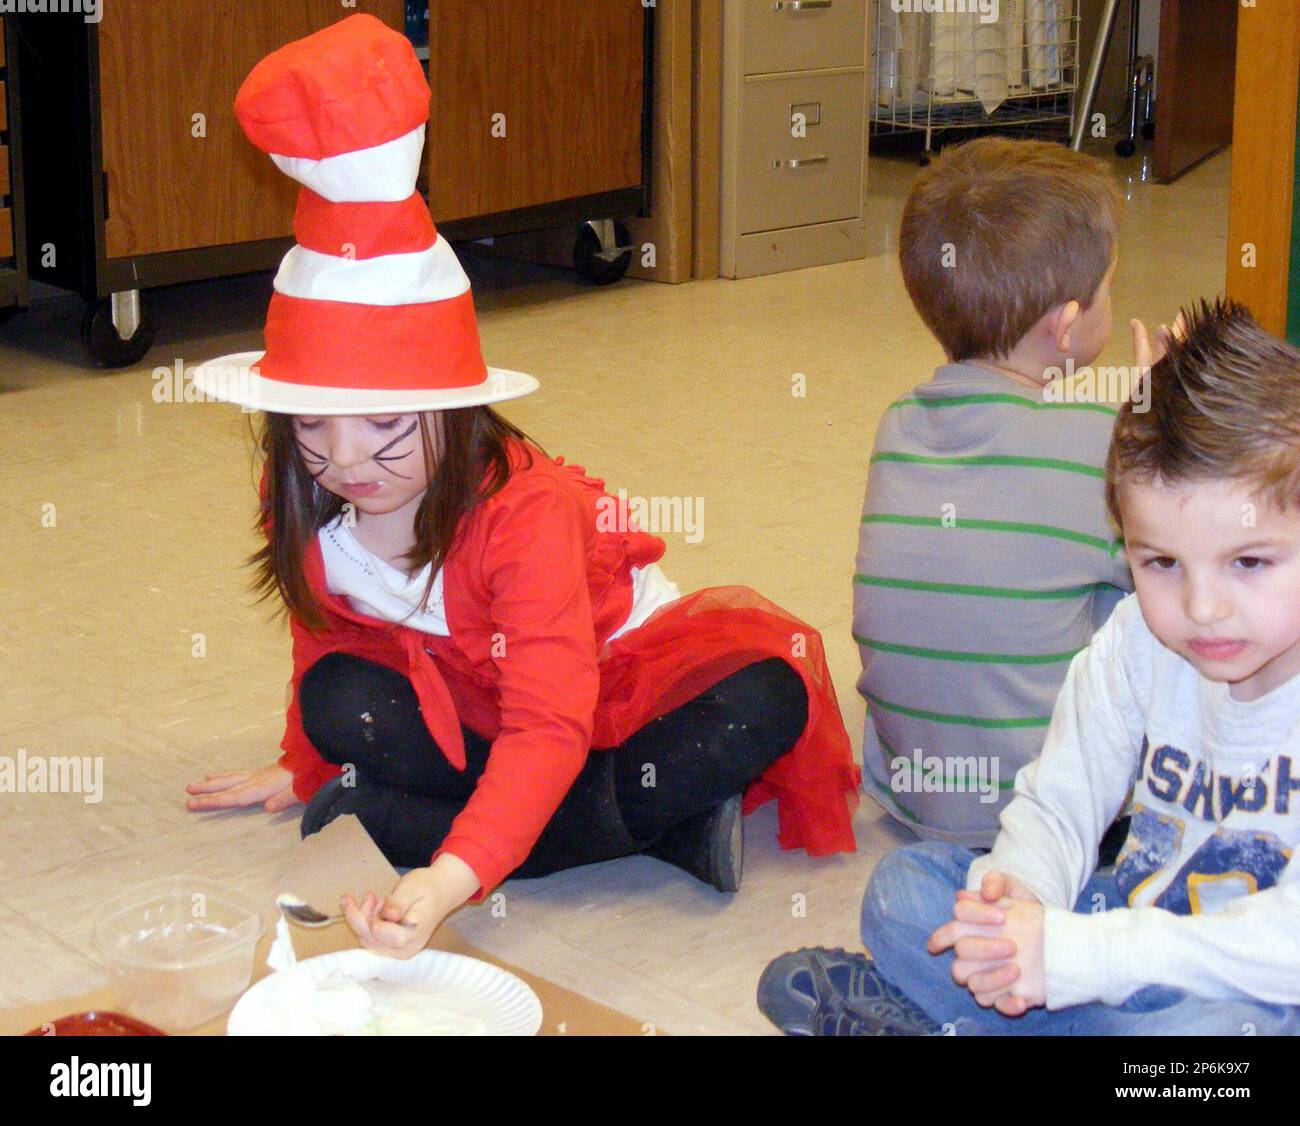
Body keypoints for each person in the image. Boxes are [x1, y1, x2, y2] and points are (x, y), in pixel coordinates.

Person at [182, 15, 860, 960]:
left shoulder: (522, 511)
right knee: (340, 701)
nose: (344, 462)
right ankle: (644, 826)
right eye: (311, 425)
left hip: (603, 680)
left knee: (766, 696)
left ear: (457, 410)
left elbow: (551, 717)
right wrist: (303, 766)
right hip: (470, 694)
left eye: (383, 424)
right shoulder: (299, 485)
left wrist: (445, 878)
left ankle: (474, 825)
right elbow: (318, 640)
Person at [761, 299, 1300, 1035]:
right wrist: (1017, 900)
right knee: (905, 892)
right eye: (1161, 562)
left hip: (1256, 996)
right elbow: (1059, 805)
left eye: (1248, 562)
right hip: (1130, 943)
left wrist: (1080, 956)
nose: (1203, 607)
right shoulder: (1139, 638)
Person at [853, 136, 1137, 850]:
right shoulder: (1101, 440)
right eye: (1109, 287)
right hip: (1053, 814)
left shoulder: (899, 423)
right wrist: (1167, 440)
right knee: (1185, 580)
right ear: (1067, 327)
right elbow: (1188, 569)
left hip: (911, 796)